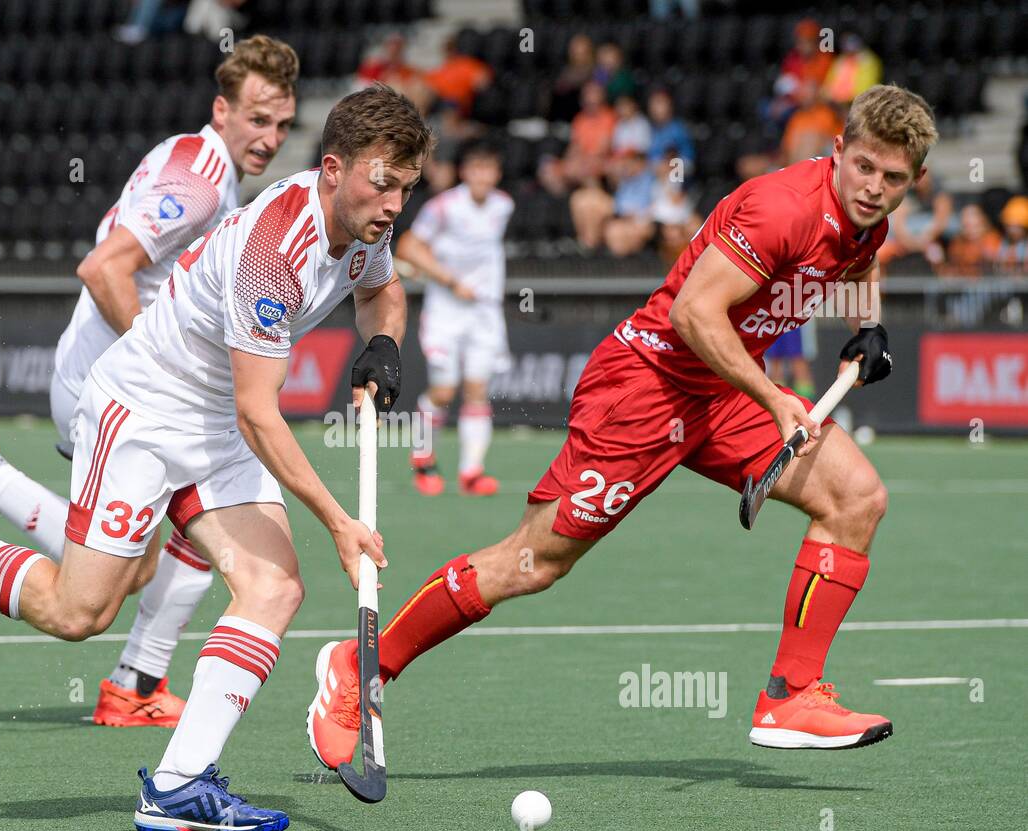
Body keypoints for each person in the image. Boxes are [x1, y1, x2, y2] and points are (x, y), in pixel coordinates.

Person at [0, 85, 432, 831]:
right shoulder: (275, 248)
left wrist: (384, 340)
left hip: (212, 427)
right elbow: (259, 413)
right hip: (143, 414)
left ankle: (178, 784)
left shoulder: (363, 223)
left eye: (407, 186)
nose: (395, 202)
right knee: (79, 613)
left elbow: (381, 290)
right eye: (383, 182)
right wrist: (336, 521)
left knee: (271, 587)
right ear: (333, 169)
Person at [308, 84, 939, 767]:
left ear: (916, 179)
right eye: (865, 168)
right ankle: (362, 667)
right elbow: (693, 316)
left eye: (894, 178)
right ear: (838, 151)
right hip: (646, 389)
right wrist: (773, 396)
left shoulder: (865, 215)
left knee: (856, 498)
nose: (874, 188)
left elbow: (859, 256)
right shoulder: (780, 208)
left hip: (720, 395)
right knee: (534, 562)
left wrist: (867, 324)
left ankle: (791, 695)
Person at [0, 36, 298, 729]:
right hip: (109, 385)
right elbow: (104, 268)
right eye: (258, 118)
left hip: (112, 380)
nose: (270, 137)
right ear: (222, 109)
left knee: (132, 566)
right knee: (122, 573)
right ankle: (132, 681)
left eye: (283, 125)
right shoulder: (201, 182)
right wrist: (169, 363)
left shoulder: (201, 161)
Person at [396, 141, 513, 496]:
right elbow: (408, 247)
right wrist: (449, 280)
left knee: (478, 390)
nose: (482, 177)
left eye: (488, 170)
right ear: (465, 173)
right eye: (475, 169)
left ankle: (471, 472)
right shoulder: (444, 207)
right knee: (445, 391)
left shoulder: (503, 206)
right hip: (446, 312)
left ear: (497, 174)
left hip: (485, 314)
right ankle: (422, 456)